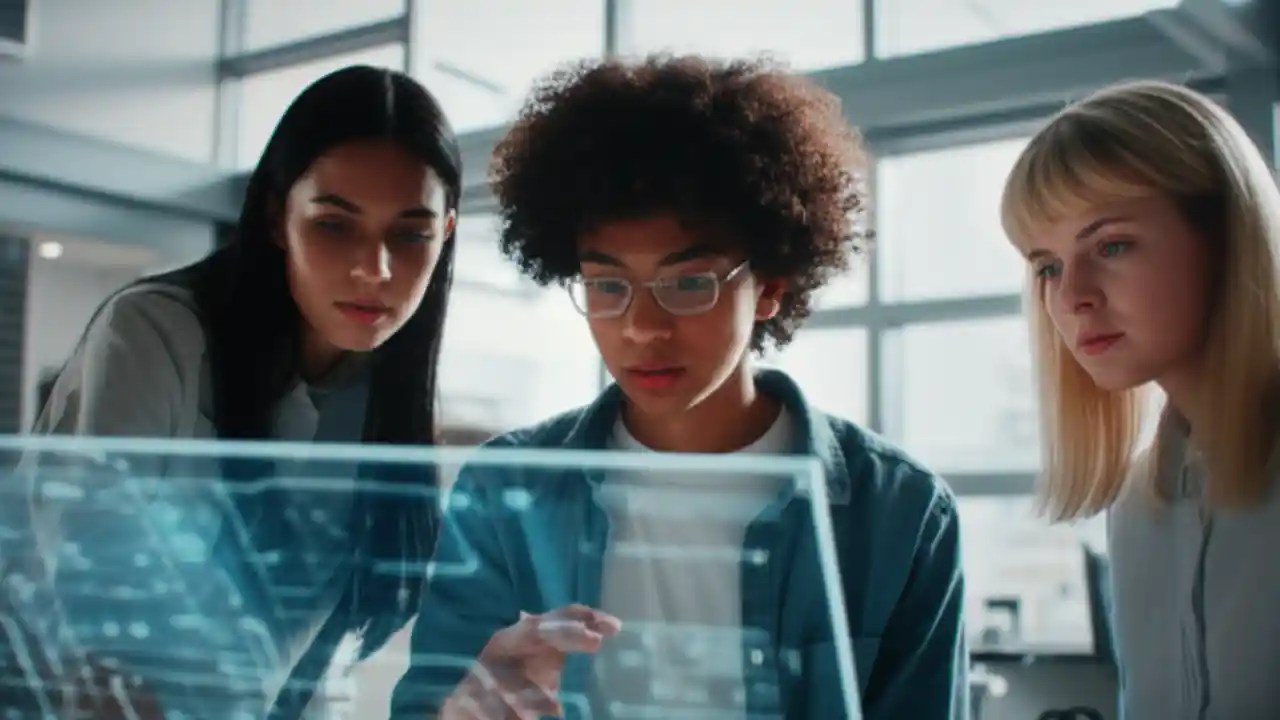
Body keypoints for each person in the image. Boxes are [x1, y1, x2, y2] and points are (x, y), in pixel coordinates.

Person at [391, 55, 967, 719]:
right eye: (608, 285)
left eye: (689, 283)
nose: (641, 327)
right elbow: (425, 709)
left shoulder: (901, 513)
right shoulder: (504, 493)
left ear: (771, 288)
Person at [2, 64, 461, 718]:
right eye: (335, 224)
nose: (375, 269)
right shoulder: (158, 333)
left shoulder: (386, 405)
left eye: (410, 233)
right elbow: (80, 605)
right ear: (278, 217)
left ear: (443, 236)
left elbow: (306, 663)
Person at [1000, 79, 1280, 718]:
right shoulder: (1137, 504)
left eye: (1112, 246)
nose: (1072, 297)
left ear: (1229, 239)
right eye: (1048, 266)